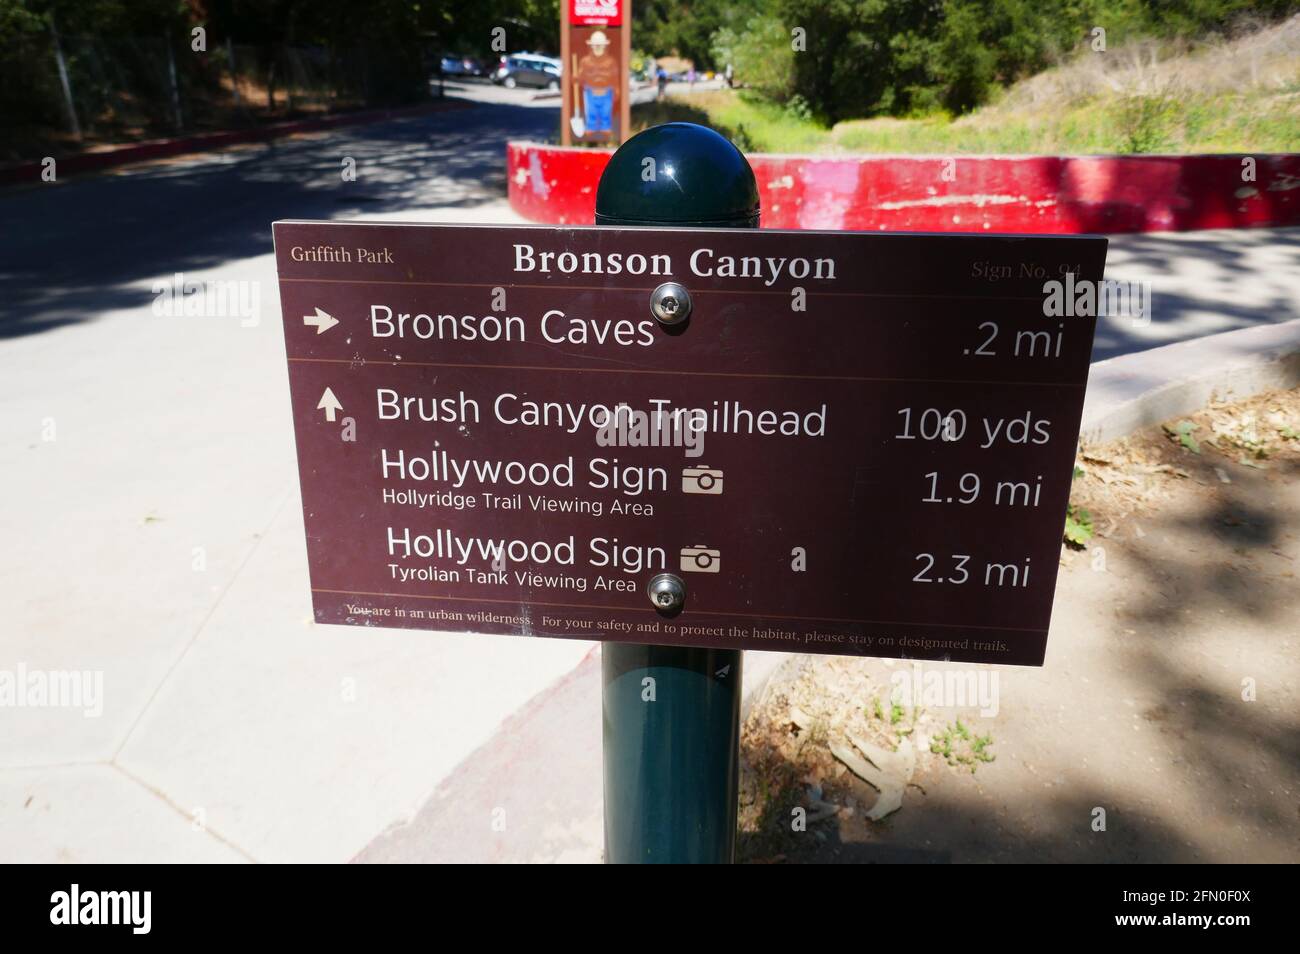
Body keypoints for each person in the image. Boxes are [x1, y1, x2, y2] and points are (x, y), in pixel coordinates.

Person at [575, 31, 618, 140]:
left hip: (607, 92)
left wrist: (617, 89)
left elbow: (614, 77)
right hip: (590, 92)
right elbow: (581, 76)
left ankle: (606, 128)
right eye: (596, 45)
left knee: (606, 112)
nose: (598, 47)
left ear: (604, 46)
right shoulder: (585, 62)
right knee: (591, 112)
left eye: (600, 45)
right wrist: (577, 78)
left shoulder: (610, 62)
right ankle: (591, 128)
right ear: (591, 46)